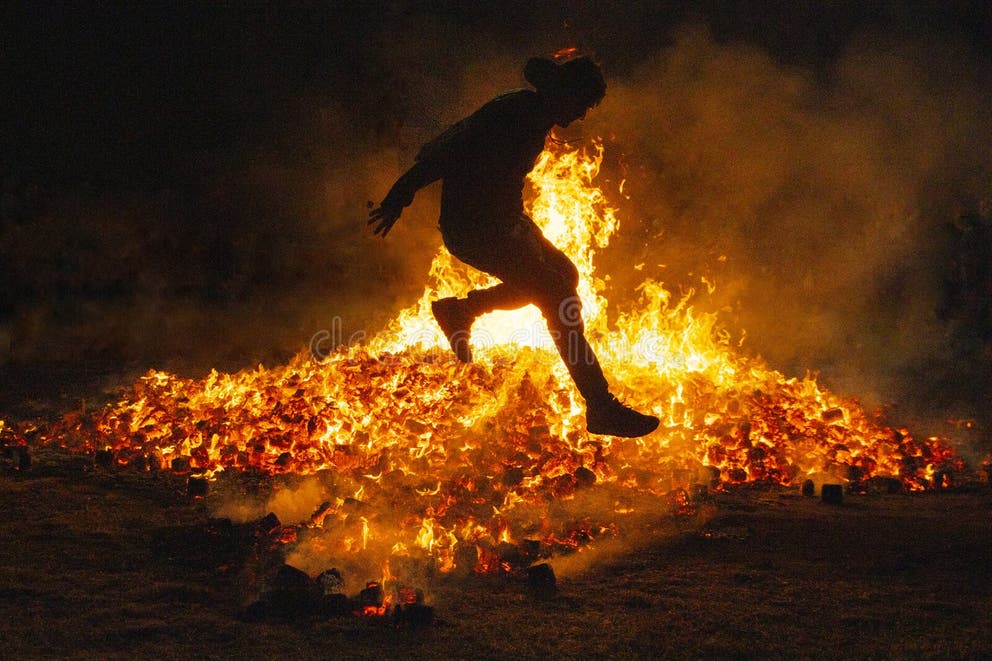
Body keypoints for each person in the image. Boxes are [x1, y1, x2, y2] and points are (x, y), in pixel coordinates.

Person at [368, 56, 659, 438]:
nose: (582, 115)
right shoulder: (514, 114)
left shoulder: (531, 115)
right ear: (564, 93)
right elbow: (449, 150)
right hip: (476, 229)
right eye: (582, 104)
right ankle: (601, 407)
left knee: (564, 276)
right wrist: (400, 194)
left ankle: (462, 311)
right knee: (556, 295)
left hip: (507, 223)